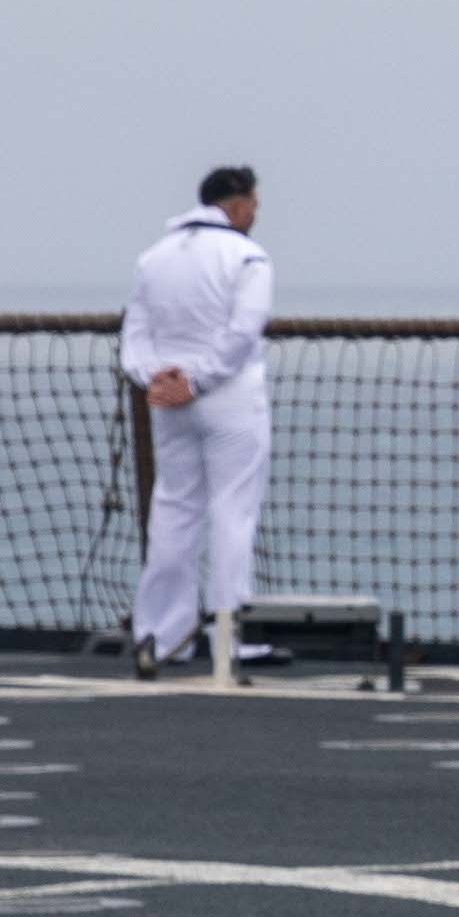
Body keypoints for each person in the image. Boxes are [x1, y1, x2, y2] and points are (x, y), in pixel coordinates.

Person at [122, 166, 276, 675]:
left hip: (168, 402)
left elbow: (135, 337)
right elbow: (241, 333)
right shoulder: (247, 258)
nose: (256, 213)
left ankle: (162, 634)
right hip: (229, 400)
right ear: (237, 206)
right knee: (233, 511)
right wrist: (199, 380)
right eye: (254, 203)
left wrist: (159, 378)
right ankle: (226, 637)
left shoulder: (153, 258)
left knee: (173, 509)